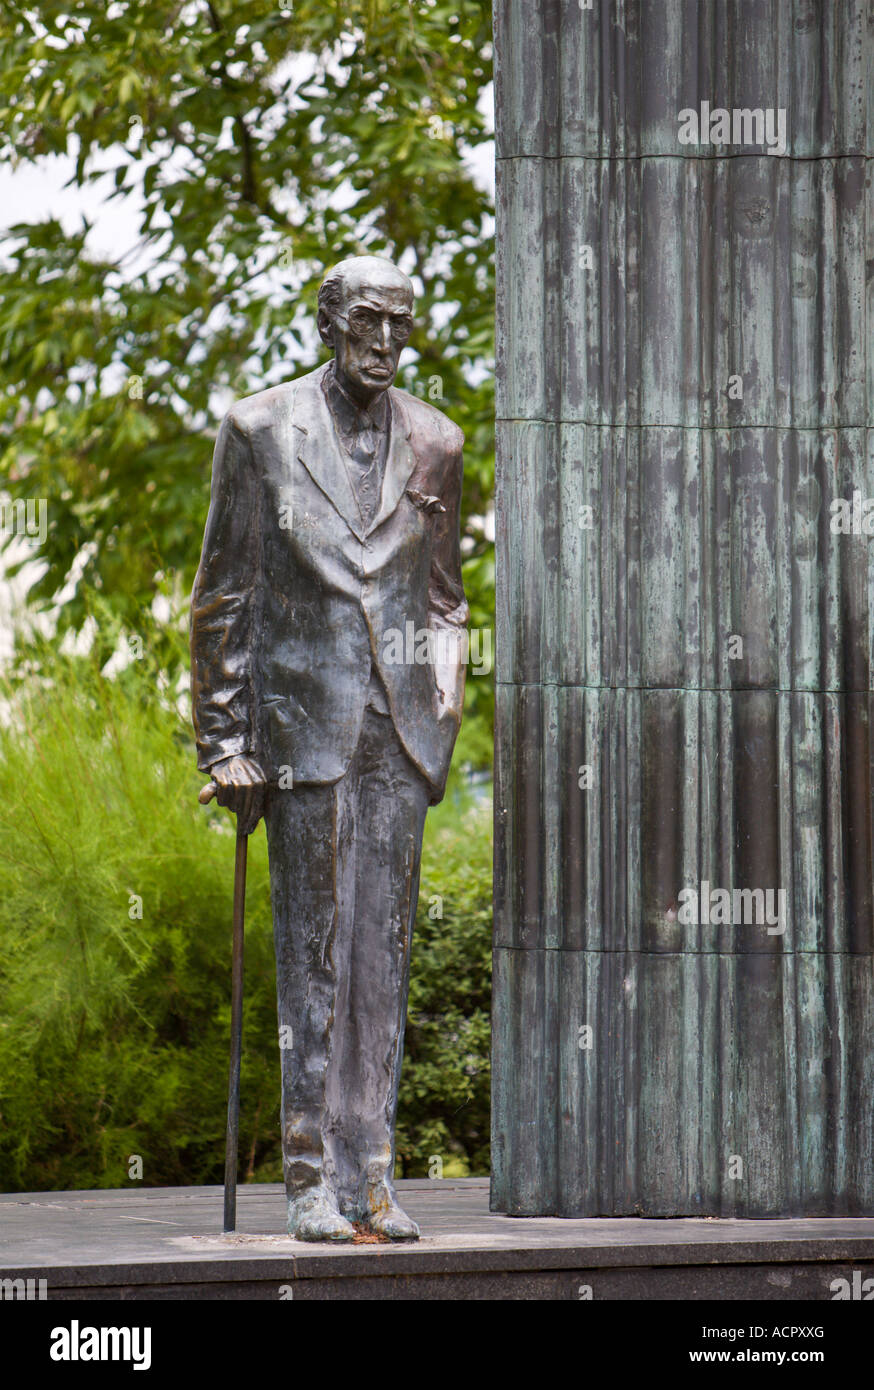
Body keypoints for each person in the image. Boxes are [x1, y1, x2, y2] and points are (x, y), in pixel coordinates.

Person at [190, 255, 468, 1241]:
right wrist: (222, 738)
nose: (385, 343)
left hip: (395, 737)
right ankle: (310, 1179)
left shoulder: (436, 441)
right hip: (300, 734)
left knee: (379, 964)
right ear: (327, 322)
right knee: (311, 964)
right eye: (367, 322)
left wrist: (439, 713)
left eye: (400, 324)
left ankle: (373, 1179)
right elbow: (223, 593)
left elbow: (443, 601)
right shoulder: (258, 430)